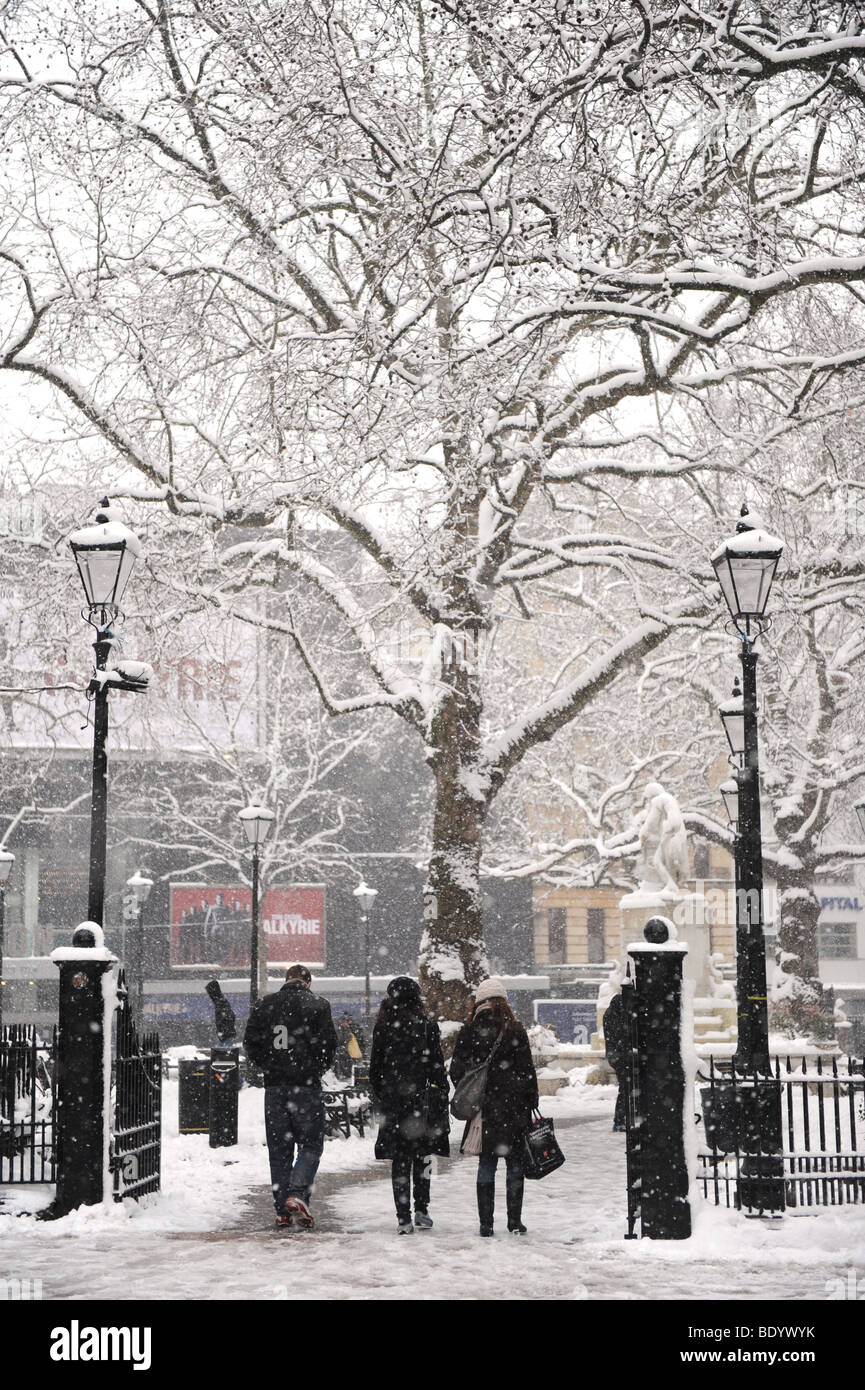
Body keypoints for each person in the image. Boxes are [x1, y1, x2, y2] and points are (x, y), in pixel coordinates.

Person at [243, 962, 337, 1229]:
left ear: (286, 980)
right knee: (310, 1144)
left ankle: (281, 1208)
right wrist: (314, 1067)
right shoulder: (319, 1005)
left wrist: (269, 1066)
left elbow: (251, 1042)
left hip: (275, 1086)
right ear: (308, 982)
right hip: (306, 1086)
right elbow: (329, 1045)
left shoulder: (265, 1004)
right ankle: (297, 1194)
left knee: (279, 1148)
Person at [449, 978, 538, 1237]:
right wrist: (529, 1099)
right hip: (514, 1108)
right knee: (515, 1164)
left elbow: (457, 1071)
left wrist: (475, 1091)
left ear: (479, 1002)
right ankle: (514, 1222)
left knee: (486, 1164)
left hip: (484, 1110)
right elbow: (527, 1070)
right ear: (504, 1001)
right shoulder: (515, 1029)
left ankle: (486, 1224)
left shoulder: (469, 1031)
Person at [369, 976, 450, 1235]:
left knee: (400, 1159)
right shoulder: (427, 1027)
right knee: (423, 1154)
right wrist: (440, 1088)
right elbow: (436, 1066)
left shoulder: (383, 1027)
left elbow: (375, 1069)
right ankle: (422, 1209)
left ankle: (403, 1217)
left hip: (395, 1103)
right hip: (421, 1101)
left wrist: (385, 1092)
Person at [602, 989, 627, 1132]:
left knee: (625, 1089)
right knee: (625, 1089)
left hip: (616, 1056)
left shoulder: (611, 1013)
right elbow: (620, 1035)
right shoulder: (613, 1016)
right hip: (619, 1057)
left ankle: (621, 1120)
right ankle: (619, 1121)